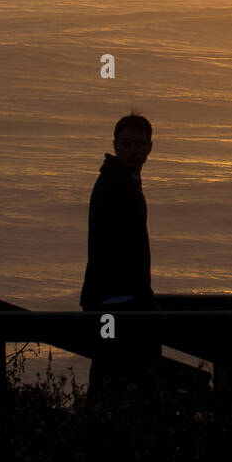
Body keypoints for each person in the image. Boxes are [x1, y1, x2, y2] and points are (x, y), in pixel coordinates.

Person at [81, 111, 162, 401]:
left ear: (149, 148)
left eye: (138, 145)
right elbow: (115, 250)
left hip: (121, 300)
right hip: (116, 302)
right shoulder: (114, 185)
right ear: (115, 145)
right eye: (126, 144)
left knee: (112, 380)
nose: (132, 150)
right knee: (120, 381)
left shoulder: (125, 180)